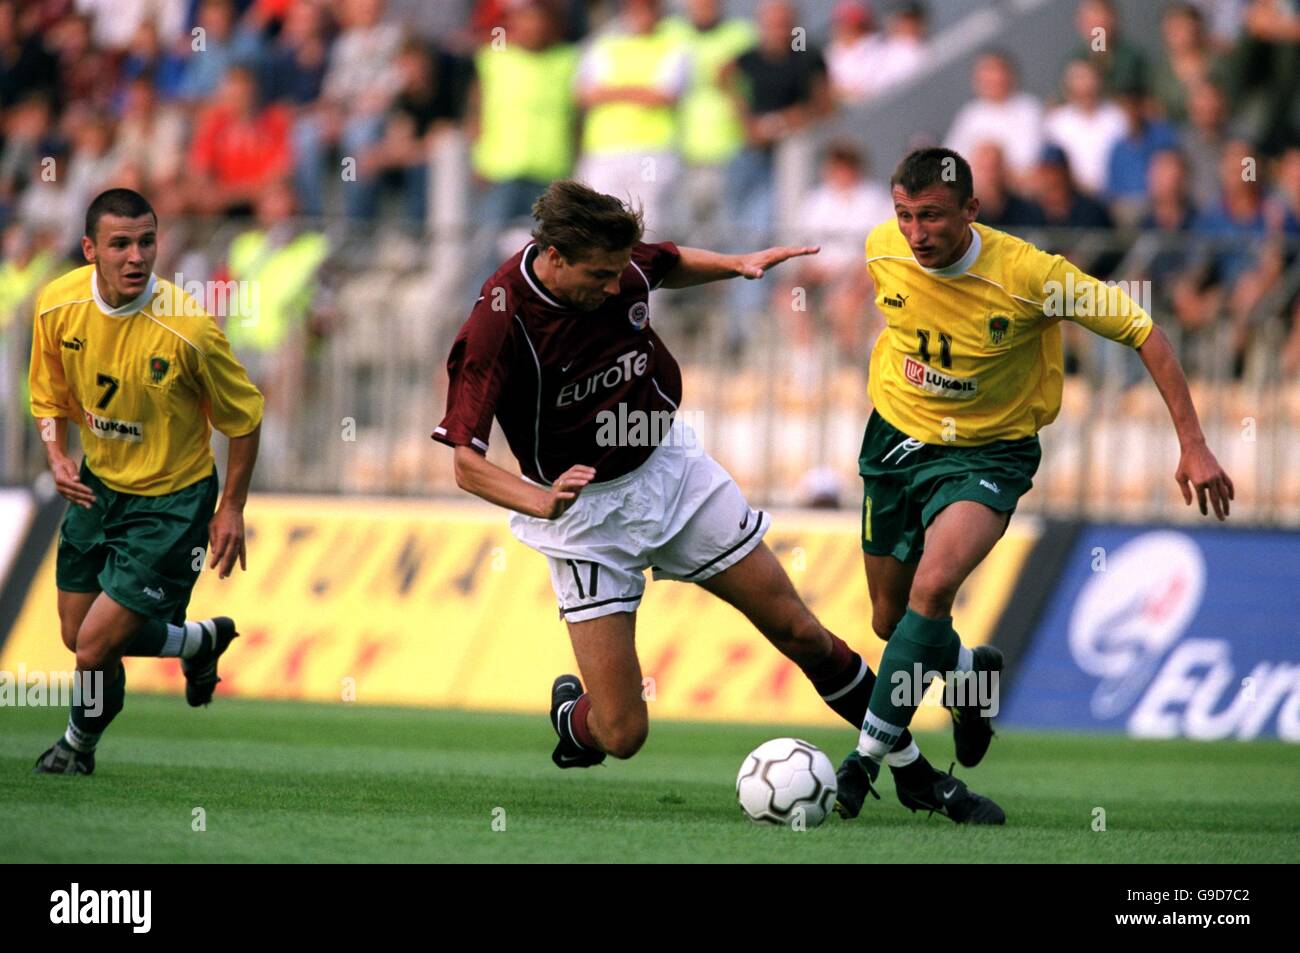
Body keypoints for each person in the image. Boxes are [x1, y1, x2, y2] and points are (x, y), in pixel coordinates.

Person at [433, 180, 1004, 824]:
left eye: (621, 271)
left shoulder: (617, 267)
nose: (615, 285)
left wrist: (737, 264)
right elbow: (465, 464)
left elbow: (667, 262)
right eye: (599, 275)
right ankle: (575, 717)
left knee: (800, 630)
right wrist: (539, 502)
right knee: (622, 733)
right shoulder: (498, 322)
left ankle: (916, 775)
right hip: (584, 519)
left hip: (673, 477)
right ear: (554, 256)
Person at [833, 148, 1234, 814]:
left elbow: (1146, 333)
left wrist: (1194, 444)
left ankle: (863, 761)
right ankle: (971, 675)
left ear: (972, 211)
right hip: (897, 444)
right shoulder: (882, 249)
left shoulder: (1032, 274)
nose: (916, 233)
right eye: (905, 215)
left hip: (989, 456)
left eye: (931, 216)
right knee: (889, 618)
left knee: (933, 589)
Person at [28, 188, 264, 774]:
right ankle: (198, 641)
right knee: (76, 633)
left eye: (147, 242)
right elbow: (48, 395)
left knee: (92, 648)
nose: (137, 257)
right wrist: (56, 454)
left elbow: (246, 416)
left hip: (172, 502)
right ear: (90, 250)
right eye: (120, 244)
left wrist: (230, 508)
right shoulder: (56, 307)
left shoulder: (189, 330)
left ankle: (76, 747)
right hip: (96, 486)